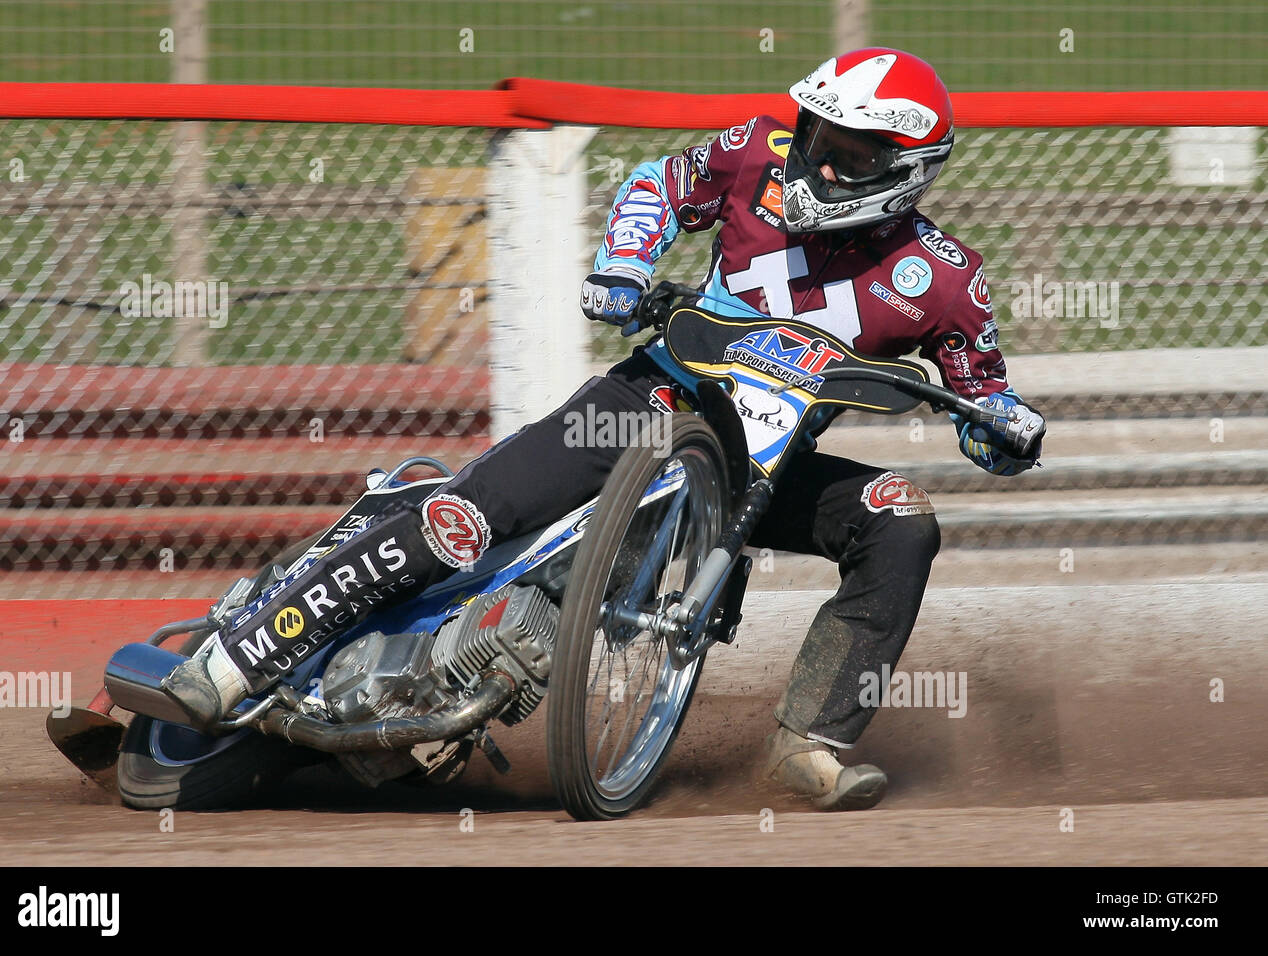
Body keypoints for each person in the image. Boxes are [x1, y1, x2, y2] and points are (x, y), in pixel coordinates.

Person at [163, 47, 1045, 811]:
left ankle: (809, 744)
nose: (813, 161)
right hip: (647, 403)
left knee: (901, 516)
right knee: (462, 518)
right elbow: (660, 181)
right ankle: (240, 658)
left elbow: (985, 401)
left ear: (905, 168)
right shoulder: (754, 152)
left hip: (761, 471)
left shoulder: (946, 279)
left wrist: (1004, 429)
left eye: (845, 153)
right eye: (815, 135)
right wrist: (623, 264)